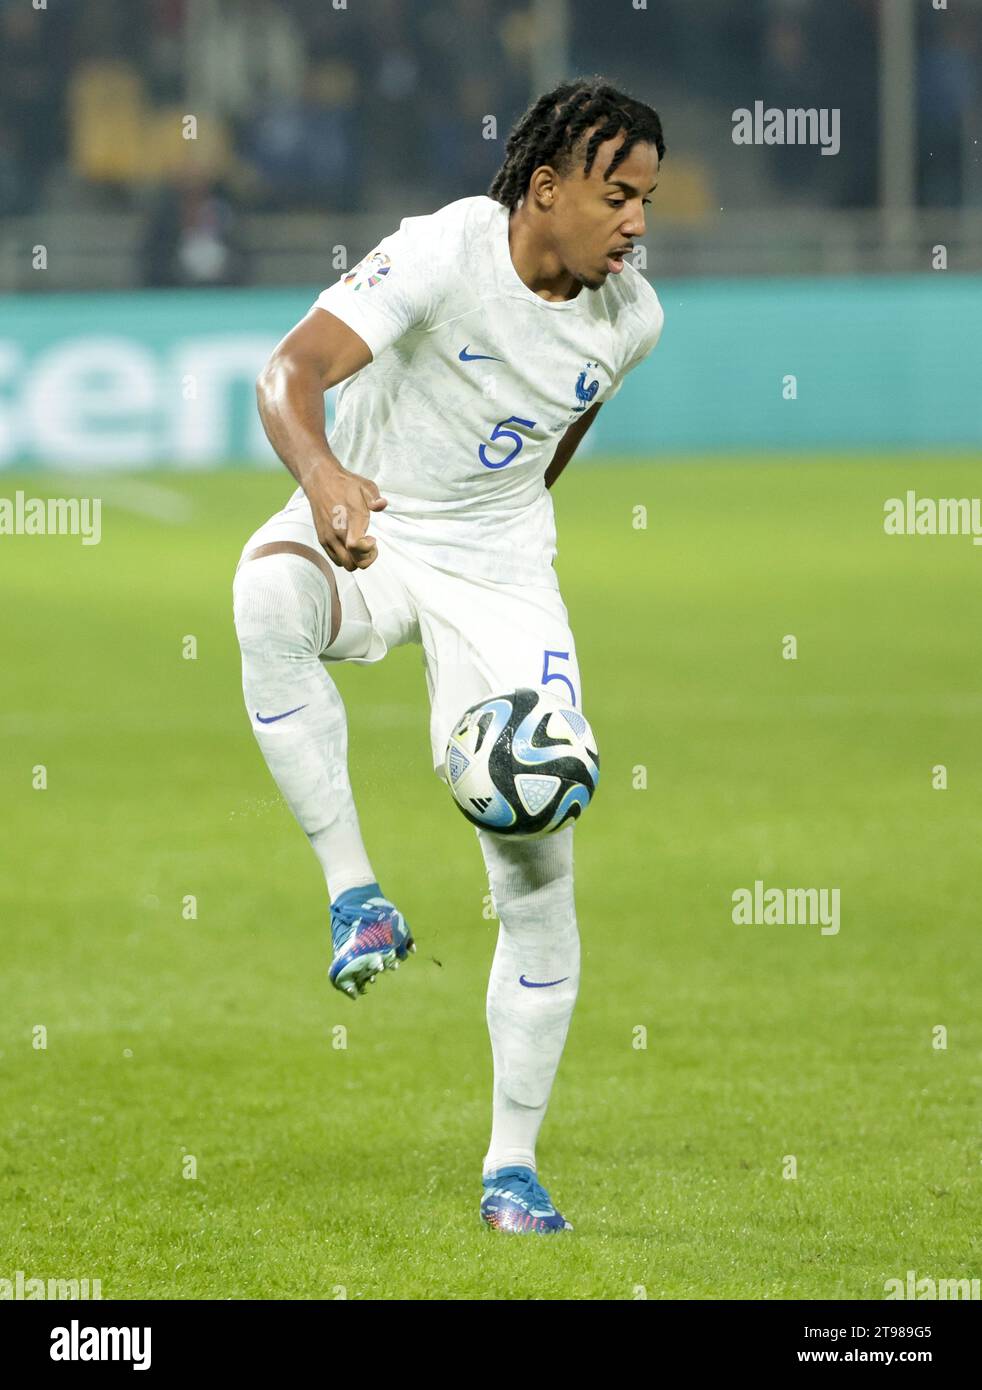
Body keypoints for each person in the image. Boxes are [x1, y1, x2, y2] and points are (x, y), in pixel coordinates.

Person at [232, 78, 666, 1234]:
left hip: (502, 572)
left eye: (647, 199)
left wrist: (506, 549)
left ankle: (510, 1169)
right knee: (266, 594)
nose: (636, 222)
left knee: (537, 868)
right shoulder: (443, 250)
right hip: (372, 516)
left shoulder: (631, 319)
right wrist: (325, 476)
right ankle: (357, 897)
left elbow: (549, 444)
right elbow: (287, 373)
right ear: (546, 188)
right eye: (617, 195)